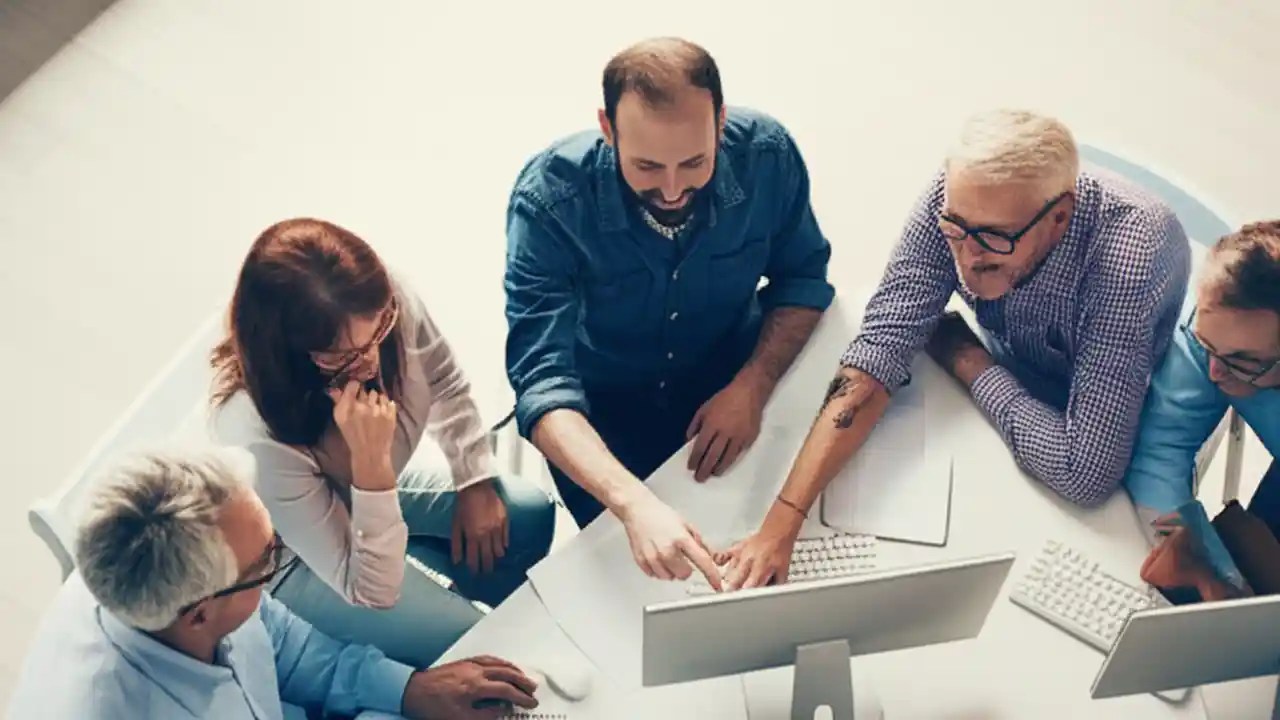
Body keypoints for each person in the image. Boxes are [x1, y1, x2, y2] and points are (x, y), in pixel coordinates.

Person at [718, 109, 1191, 590]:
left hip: (1102, 391)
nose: (965, 259)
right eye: (954, 232)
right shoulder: (960, 202)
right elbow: (882, 347)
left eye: (992, 238)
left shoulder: (1128, 261)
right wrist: (782, 523)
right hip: (1015, 386)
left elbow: (1084, 472)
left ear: (1059, 218)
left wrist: (968, 360)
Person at [503, 37, 834, 586]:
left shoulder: (769, 156)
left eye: (695, 161)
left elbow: (802, 281)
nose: (675, 188)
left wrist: (753, 386)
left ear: (720, 121)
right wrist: (633, 504)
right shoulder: (549, 201)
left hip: (731, 380)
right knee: (639, 589)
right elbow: (542, 385)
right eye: (648, 165)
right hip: (607, 415)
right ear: (607, 129)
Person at [211, 218, 555, 667]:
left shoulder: (380, 302)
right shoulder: (254, 434)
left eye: (379, 332)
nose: (372, 359)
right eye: (343, 356)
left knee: (527, 514)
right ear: (289, 355)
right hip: (298, 555)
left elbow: (446, 383)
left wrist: (473, 480)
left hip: (370, 490)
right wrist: (370, 464)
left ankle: (471, 615)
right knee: (481, 649)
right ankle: (451, 638)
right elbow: (368, 588)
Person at [8, 448, 539, 719]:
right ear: (197, 614)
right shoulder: (98, 704)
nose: (284, 564)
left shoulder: (166, 583)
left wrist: (409, 690)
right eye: (268, 560)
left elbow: (284, 644)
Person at [1125, 221, 1280, 592]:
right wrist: (1214, 576)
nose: (1213, 372)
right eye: (1207, 346)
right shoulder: (1211, 333)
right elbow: (1158, 458)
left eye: (1242, 359)